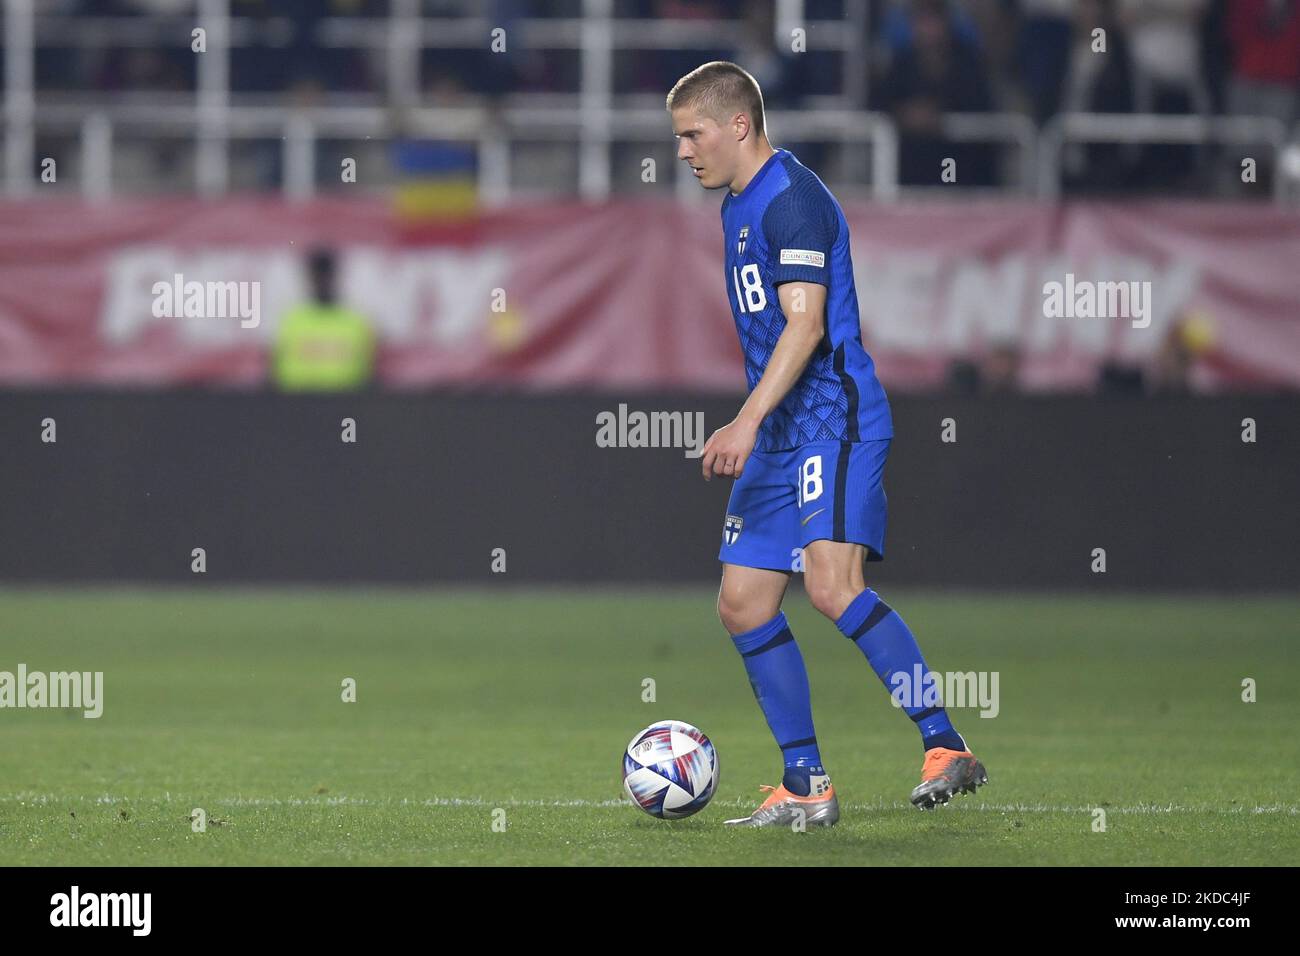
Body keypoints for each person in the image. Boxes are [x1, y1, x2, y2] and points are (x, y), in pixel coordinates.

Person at [666, 61, 988, 827]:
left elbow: (807, 327)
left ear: (738, 125)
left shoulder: (792, 201)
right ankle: (806, 783)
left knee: (832, 587)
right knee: (742, 605)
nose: (682, 152)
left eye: (692, 134)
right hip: (780, 431)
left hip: (832, 422)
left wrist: (744, 420)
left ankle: (945, 743)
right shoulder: (737, 203)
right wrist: (758, 423)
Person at [272, 248, 375, 392]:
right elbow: (277, 373)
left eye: (326, 275)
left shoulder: (356, 322)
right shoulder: (291, 320)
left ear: (335, 277)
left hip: (346, 404)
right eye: (317, 275)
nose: (322, 281)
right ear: (309, 278)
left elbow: (367, 373)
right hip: (298, 405)